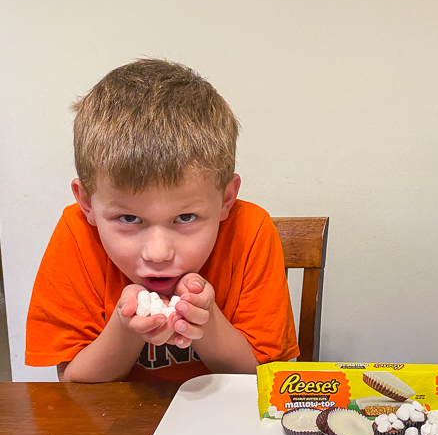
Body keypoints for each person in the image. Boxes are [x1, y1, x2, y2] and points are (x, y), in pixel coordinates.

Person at [26, 59, 300, 382]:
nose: (158, 253)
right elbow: (73, 381)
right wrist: (126, 326)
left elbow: (267, 378)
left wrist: (207, 322)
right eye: (129, 218)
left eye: (185, 217)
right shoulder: (76, 235)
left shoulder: (251, 233)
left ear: (226, 199)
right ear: (86, 202)